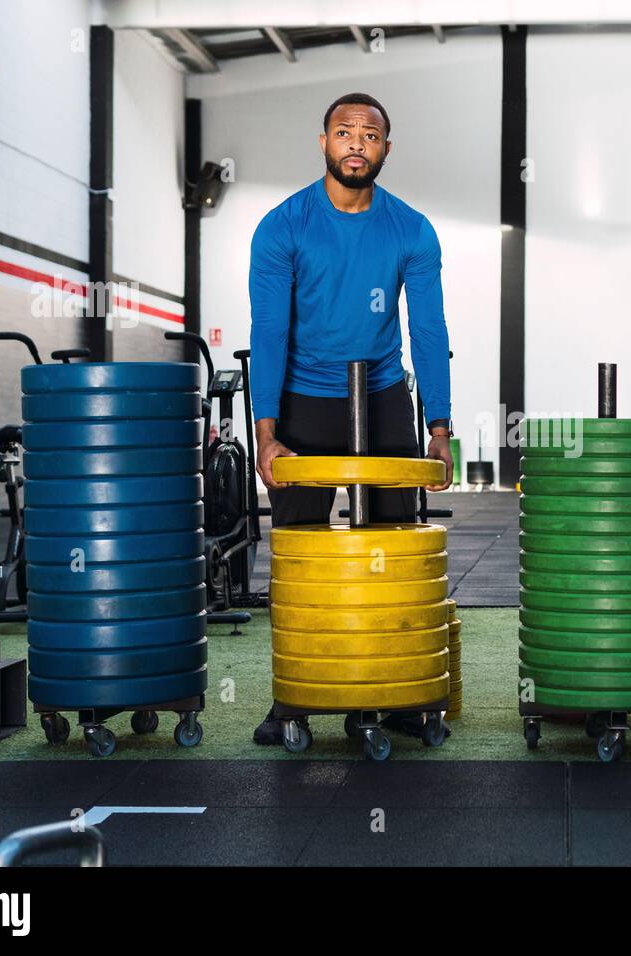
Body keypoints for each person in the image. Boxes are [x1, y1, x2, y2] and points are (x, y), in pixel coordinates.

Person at [247, 92, 453, 745]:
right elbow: (269, 330)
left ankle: (393, 697)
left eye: (370, 134)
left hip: (386, 397)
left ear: (386, 149)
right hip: (305, 401)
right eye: (345, 132)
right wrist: (266, 431)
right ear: (324, 142)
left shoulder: (412, 229)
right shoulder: (283, 226)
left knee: (391, 550)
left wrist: (440, 428)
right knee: (299, 555)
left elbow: (429, 329)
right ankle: (294, 701)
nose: (356, 143)